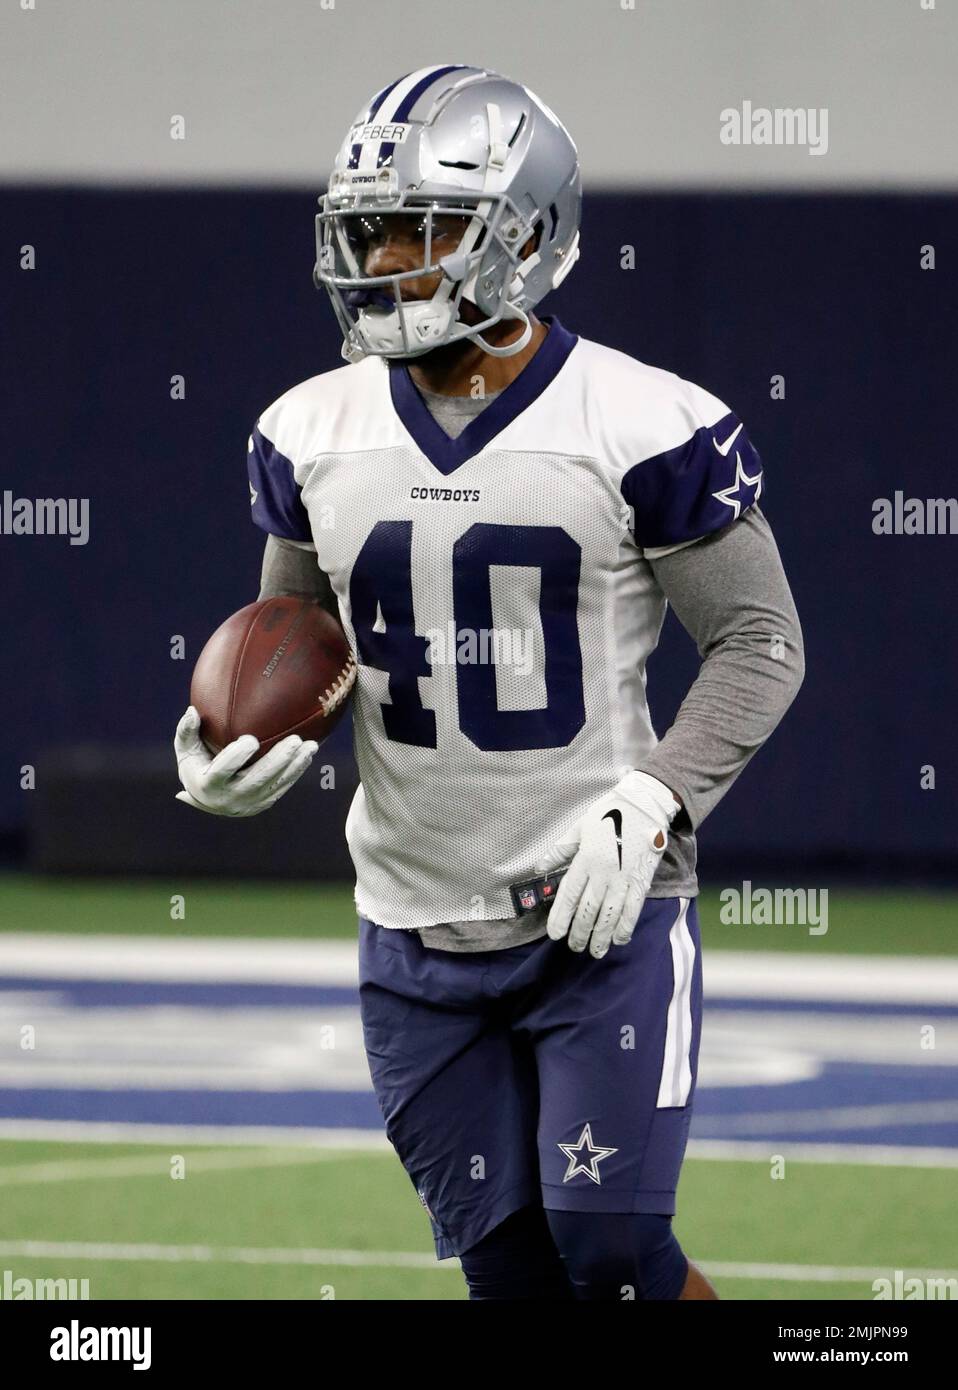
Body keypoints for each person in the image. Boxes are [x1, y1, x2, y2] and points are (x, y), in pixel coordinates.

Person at [174, 64, 805, 1300]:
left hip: (600, 906)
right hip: (412, 916)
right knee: (509, 1273)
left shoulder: (644, 421)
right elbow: (302, 637)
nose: (385, 260)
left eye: (423, 227)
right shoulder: (307, 429)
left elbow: (760, 641)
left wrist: (658, 798)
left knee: (610, 1252)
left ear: (523, 235)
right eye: (370, 230)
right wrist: (240, 740)